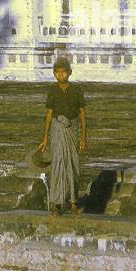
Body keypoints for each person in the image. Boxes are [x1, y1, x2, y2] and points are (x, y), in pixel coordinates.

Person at [39, 57, 87, 215]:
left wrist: (83, 138)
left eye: (64, 72)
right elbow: (49, 114)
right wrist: (45, 138)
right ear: (54, 74)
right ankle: (57, 203)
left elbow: (82, 114)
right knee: (58, 165)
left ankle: (73, 201)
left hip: (72, 129)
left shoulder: (76, 90)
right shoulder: (52, 91)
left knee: (73, 165)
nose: (61, 75)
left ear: (70, 73)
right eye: (58, 73)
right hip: (57, 129)